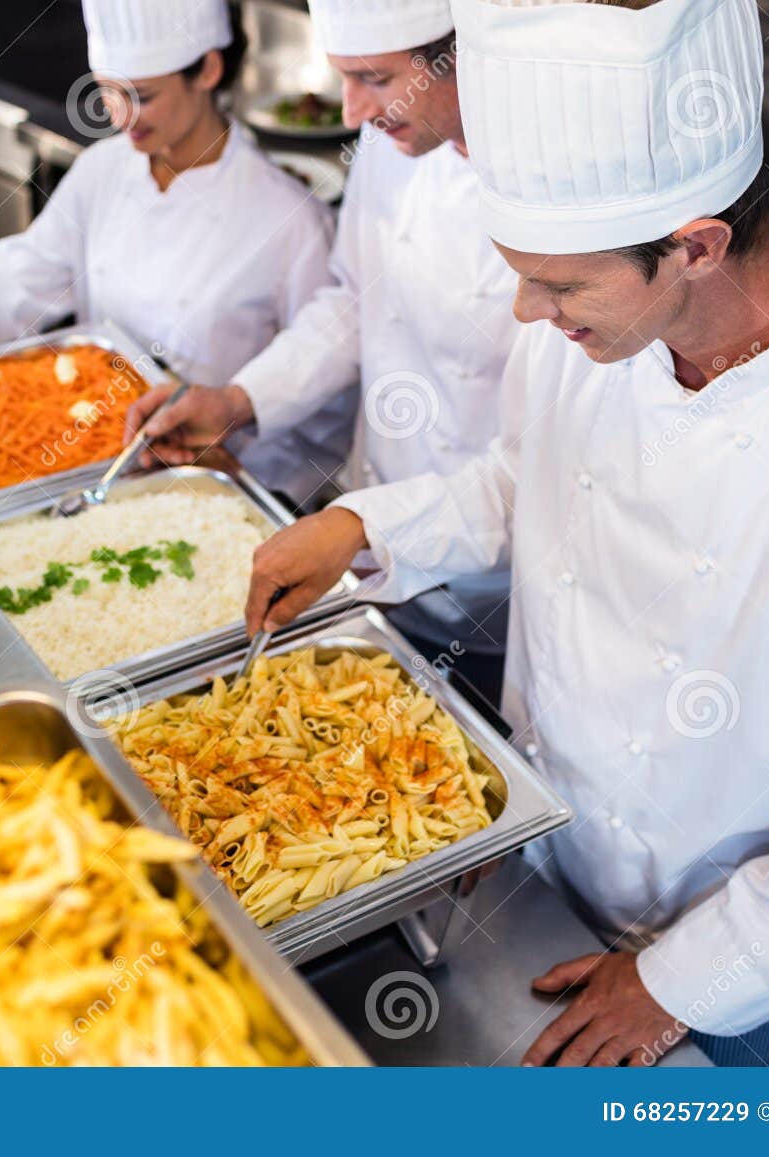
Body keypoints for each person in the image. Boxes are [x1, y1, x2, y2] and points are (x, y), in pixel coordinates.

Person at [241, 0, 769, 1066]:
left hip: (707, 954)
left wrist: (678, 981)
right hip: (520, 843)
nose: (523, 310)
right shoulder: (584, 336)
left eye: (554, 283)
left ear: (693, 246)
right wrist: (361, 522)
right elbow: (526, 477)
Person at [127, 0, 519, 703]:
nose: (349, 111)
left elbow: (538, 467)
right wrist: (238, 400)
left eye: (372, 77)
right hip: (378, 548)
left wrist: (358, 524)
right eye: (344, 77)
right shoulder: (392, 141)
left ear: (463, 55)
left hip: (500, 583)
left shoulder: (548, 193)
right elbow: (352, 301)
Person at [0, 0, 344, 502]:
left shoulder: (290, 220)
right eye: (108, 93)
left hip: (211, 485)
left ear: (208, 69)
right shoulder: (104, 170)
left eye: (143, 96)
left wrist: (248, 480)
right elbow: (28, 276)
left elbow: (322, 401)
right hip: (91, 455)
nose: (122, 116)